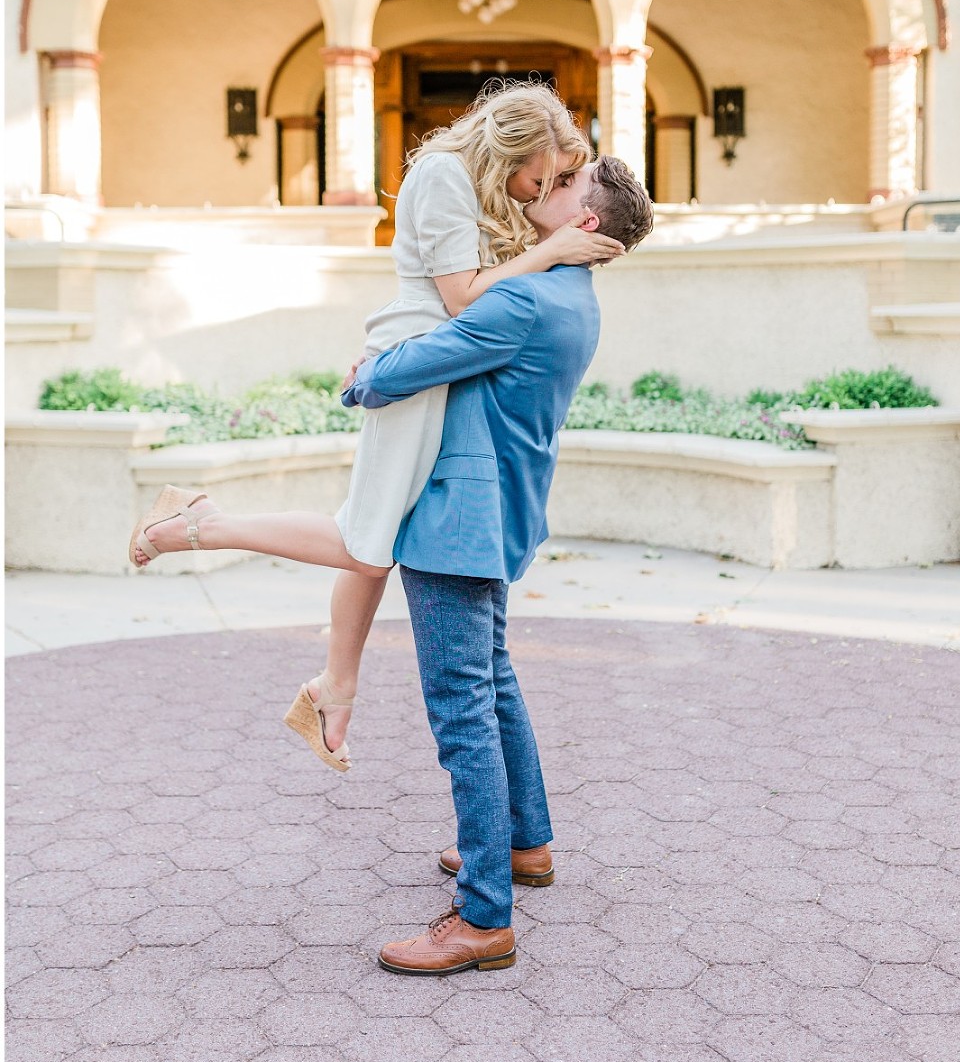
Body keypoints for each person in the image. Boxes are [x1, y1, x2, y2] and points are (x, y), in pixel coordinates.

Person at [128, 82, 624, 772]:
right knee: (366, 544)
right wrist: (553, 249)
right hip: (421, 363)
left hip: (436, 363)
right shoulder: (445, 175)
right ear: (508, 145)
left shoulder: (470, 182)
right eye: (539, 176)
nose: (535, 191)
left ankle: (336, 687)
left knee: (374, 535)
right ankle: (202, 523)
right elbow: (460, 296)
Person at [341, 156, 654, 975]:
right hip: (500, 511)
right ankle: (525, 844)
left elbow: (415, 364)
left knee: (462, 707)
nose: (547, 186)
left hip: (457, 519)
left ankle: (483, 917)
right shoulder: (571, 297)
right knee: (493, 678)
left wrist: (364, 374)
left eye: (565, 188)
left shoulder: (520, 297)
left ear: (584, 224)